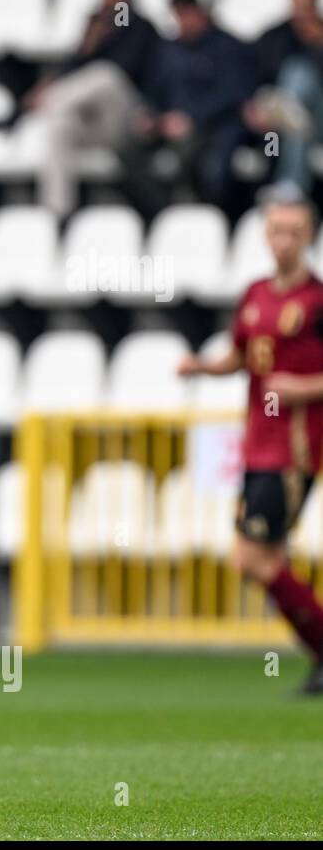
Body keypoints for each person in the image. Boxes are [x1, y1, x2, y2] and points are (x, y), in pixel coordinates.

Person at [177, 188, 323, 694]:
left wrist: (304, 386)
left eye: (293, 233)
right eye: (275, 231)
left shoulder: (317, 302)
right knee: (268, 560)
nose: (283, 241)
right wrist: (201, 366)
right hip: (257, 442)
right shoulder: (257, 293)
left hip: (293, 449)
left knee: (251, 558)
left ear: (308, 237)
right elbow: (241, 357)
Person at [24, 0, 161, 218]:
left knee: (104, 76)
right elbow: (75, 64)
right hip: (94, 120)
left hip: (126, 116)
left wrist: (105, 32)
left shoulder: (132, 21)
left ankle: (51, 100)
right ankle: (58, 214)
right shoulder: (96, 22)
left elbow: (123, 62)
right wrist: (90, 42)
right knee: (58, 126)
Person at [119, 0, 256, 217]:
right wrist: (148, 114)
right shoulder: (167, 50)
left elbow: (233, 94)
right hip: (165, 124)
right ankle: (161, 210)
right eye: (178, 15)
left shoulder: (228, 47)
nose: (183, 21)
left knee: (189, 150)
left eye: (188, 13)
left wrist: (192, 117)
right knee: (126, 147)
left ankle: (194, 207)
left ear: (202, 13)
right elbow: (153, 89)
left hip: (211, 125)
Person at [246, 0, 323, 193]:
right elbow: (257, 78)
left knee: (296, 77)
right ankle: (279, 183)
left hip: (319, 118)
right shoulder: (275, 37)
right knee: (281, 129)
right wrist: (253, 107)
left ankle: (291, 184)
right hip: (275, 127)